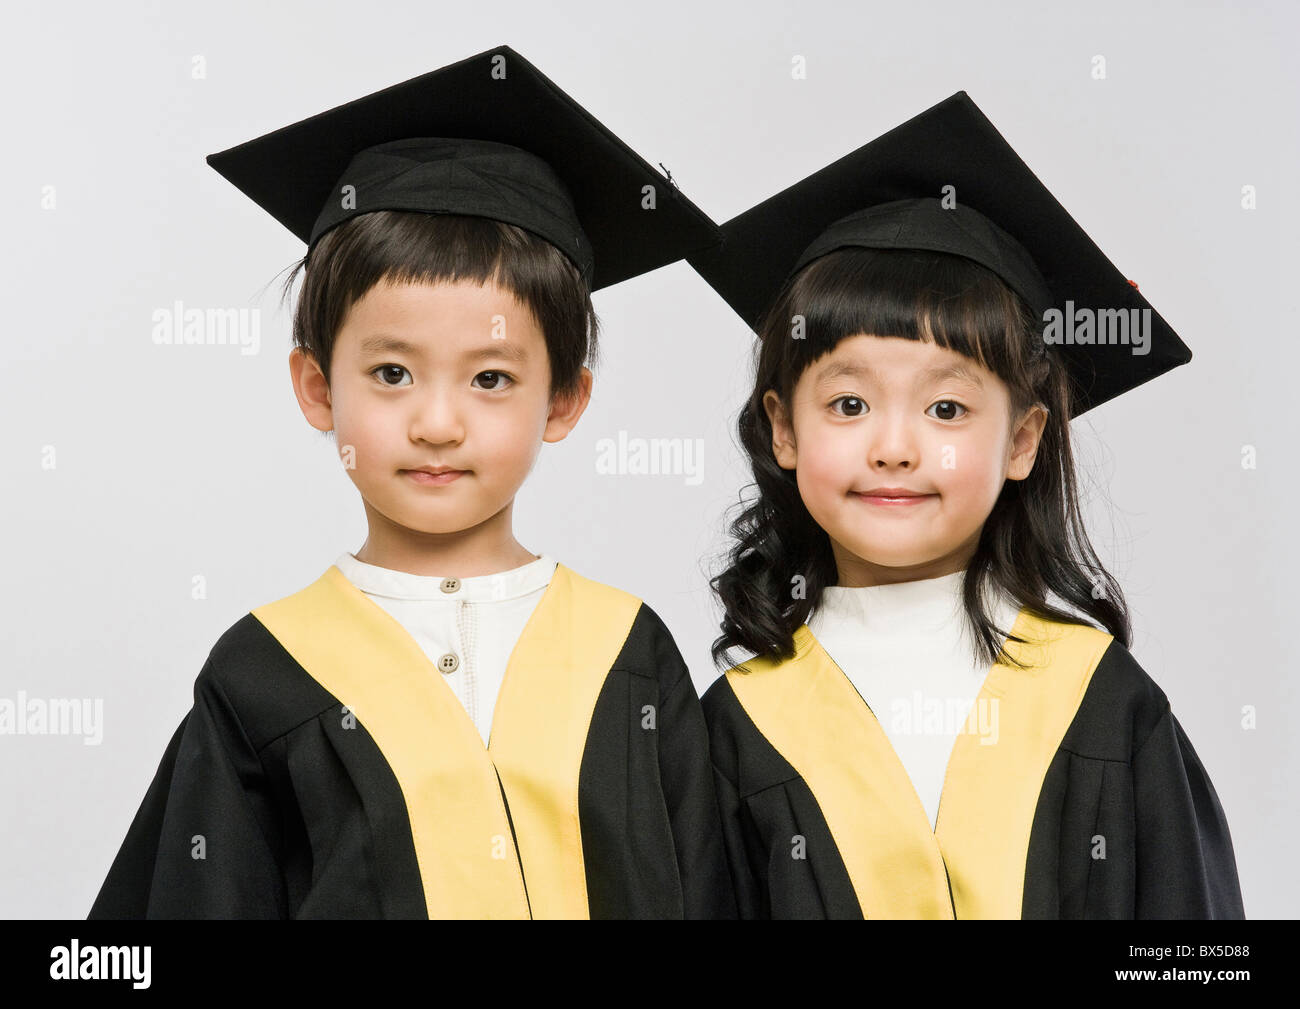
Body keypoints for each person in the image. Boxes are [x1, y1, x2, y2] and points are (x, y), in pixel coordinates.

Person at [88, 44, 734, 920]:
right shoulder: (265, 672)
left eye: (491, 378)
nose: (437, 422)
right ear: (318, 388)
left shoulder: (631, 653)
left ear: (565, 399)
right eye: (392, 374)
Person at [689, 92, 1245, 919]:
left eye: (946, 409)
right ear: (783, 429)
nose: (894, 447)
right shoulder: (737, 730)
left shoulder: (1103, 704)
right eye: (848, 405)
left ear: (1023, 440)